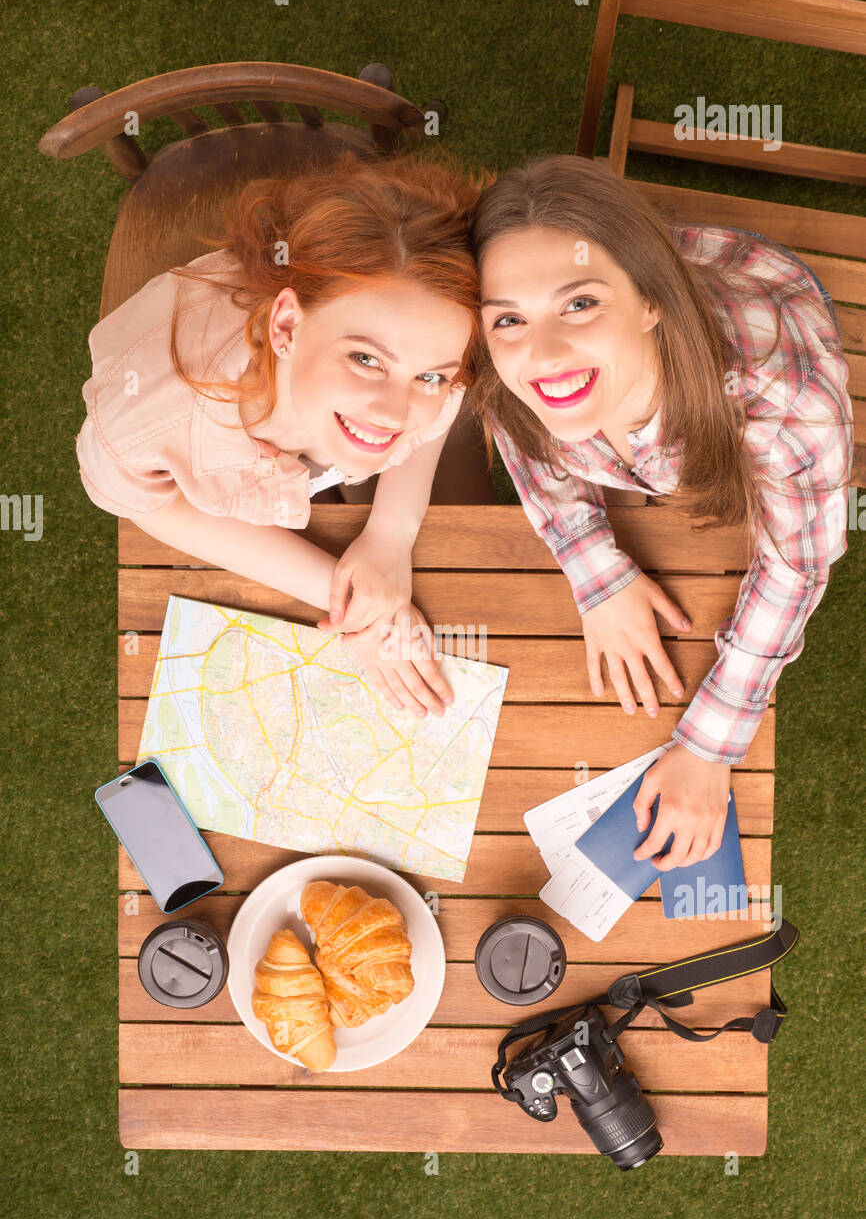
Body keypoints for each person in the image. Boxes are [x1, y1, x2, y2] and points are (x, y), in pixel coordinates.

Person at [469, 154, 853, 872]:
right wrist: (596, 569)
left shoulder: (784, 404)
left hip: (765, 295)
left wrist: (709, 747)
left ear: (650, 302)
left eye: (579, 304)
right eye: (509, 319)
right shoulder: (513, 361)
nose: (541, 355)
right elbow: (517, 414)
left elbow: (796, 566)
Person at [76, 149, 495, 719]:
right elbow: (141, 501)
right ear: (287, 325)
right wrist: (346, 601)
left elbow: (449, 398)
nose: (397, 414)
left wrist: (391, 536)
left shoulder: (436, 332)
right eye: (367, 359)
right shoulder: (153, 420)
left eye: (428, 375)